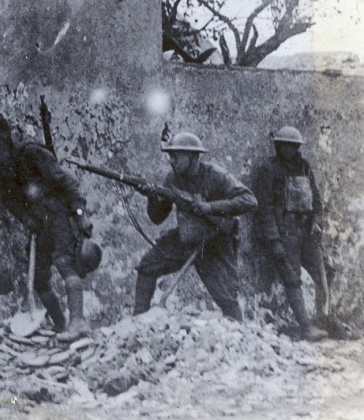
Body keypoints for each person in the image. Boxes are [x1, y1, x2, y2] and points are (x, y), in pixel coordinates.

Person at [0, 115, 97, 341]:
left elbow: (66, 181)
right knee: (40, 279)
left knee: (64, 263)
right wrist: (26, 219)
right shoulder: (0, 167)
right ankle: (61, 325)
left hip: (59, 215)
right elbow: (10, 200)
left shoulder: (31, 153)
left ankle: (78, 323)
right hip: (39, 223)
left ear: (4, 137)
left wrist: (80, 214)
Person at [133, 131, 257, 320]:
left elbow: (249, 200)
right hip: (187, 237)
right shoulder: (172, 178)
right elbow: (157, 217)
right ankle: (137, 322)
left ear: (192, 156)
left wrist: (209, 207)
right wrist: (151, 197)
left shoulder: (216, 175)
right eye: (170, 156)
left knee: (227, 300)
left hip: (215, 242)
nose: (171, 161)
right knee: (147, 267)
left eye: (176, 156)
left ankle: (240, 338)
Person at [253, 126, 329, 341]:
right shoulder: (268, 170)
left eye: (293, 146)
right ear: (278, 146)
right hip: (285, 233)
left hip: (307, 232)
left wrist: (315, 222)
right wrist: (275, 241)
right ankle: (305, 327)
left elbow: (316, 200)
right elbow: (265, 209)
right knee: (292, 279)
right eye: (285, 145)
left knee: (323, 274)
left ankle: (323, 319)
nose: (289, 150)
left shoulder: (303, 167)